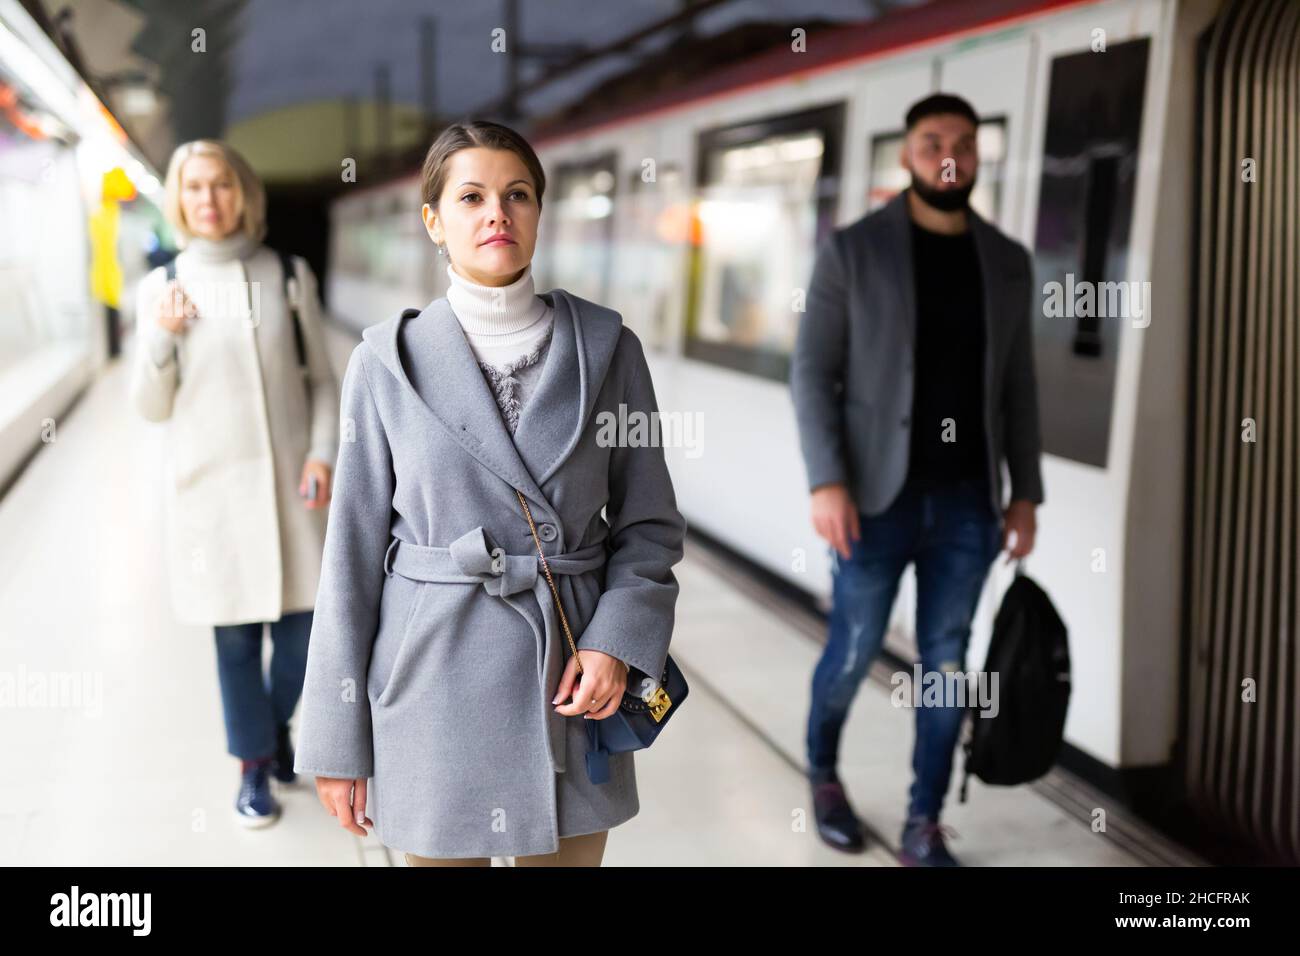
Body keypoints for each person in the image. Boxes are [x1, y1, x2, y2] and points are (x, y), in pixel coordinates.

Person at [293, 119, 687, 867]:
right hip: (431, 678)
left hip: (570, 675)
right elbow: (347, 561)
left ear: (540, 212)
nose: (496, 213)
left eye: (517, 195)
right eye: (471, 197)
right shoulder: (385, 364)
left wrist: (616, 642)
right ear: (435, 222)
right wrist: (337, 740)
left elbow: (651, 524)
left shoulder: (608, 351)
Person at [790, 93, 1044, 866]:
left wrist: (1025, 491)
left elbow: (1018, 387)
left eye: (966, 142)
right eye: (933, 139)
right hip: (872, 499)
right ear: (905, 152)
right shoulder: (853, 251)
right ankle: (826, 775)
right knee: (854, 646)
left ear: (978, 155)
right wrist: (826, 480)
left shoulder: (1006, 260)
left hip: (968, 501)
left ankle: (922, 820)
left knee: (946, 663)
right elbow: (812, 372)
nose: (950, 154)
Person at [129, 140, 340, 828]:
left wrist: (321, 452)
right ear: (180, 200)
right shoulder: (162, 290)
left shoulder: (286, 274)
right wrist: (161, 338)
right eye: (195, 188)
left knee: (306, 633)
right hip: (212, 498)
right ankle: (254, 766)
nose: (210, 200)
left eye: (221, 185)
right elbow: (149, 406)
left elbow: (322, 381)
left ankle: (271, 734)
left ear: (242, 193)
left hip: (292, 493)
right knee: (237, 643)